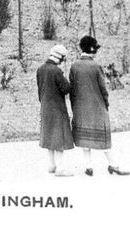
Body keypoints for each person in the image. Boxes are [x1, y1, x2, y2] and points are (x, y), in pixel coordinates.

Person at [69, 36, 130, 176]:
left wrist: (74, 107)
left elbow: (72, 89)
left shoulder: (74, 66)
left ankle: (88, 166)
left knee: (85, 139)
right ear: (91, 49)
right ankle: (113, 165)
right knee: (104, 137)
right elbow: (103, 89)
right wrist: (106, 103)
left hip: (80, 107)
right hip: (97, 107)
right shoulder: (95, 66)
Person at [36, 44, 74, 176]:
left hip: (45, 107)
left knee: (49, 137)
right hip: (57, 108)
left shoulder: (40, 69)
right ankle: (61, 169)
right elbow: (66, 89)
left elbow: (40, 89)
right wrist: (65, 74)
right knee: (59, 138)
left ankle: (51, 165)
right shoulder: (56, 71)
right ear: (61, 57)